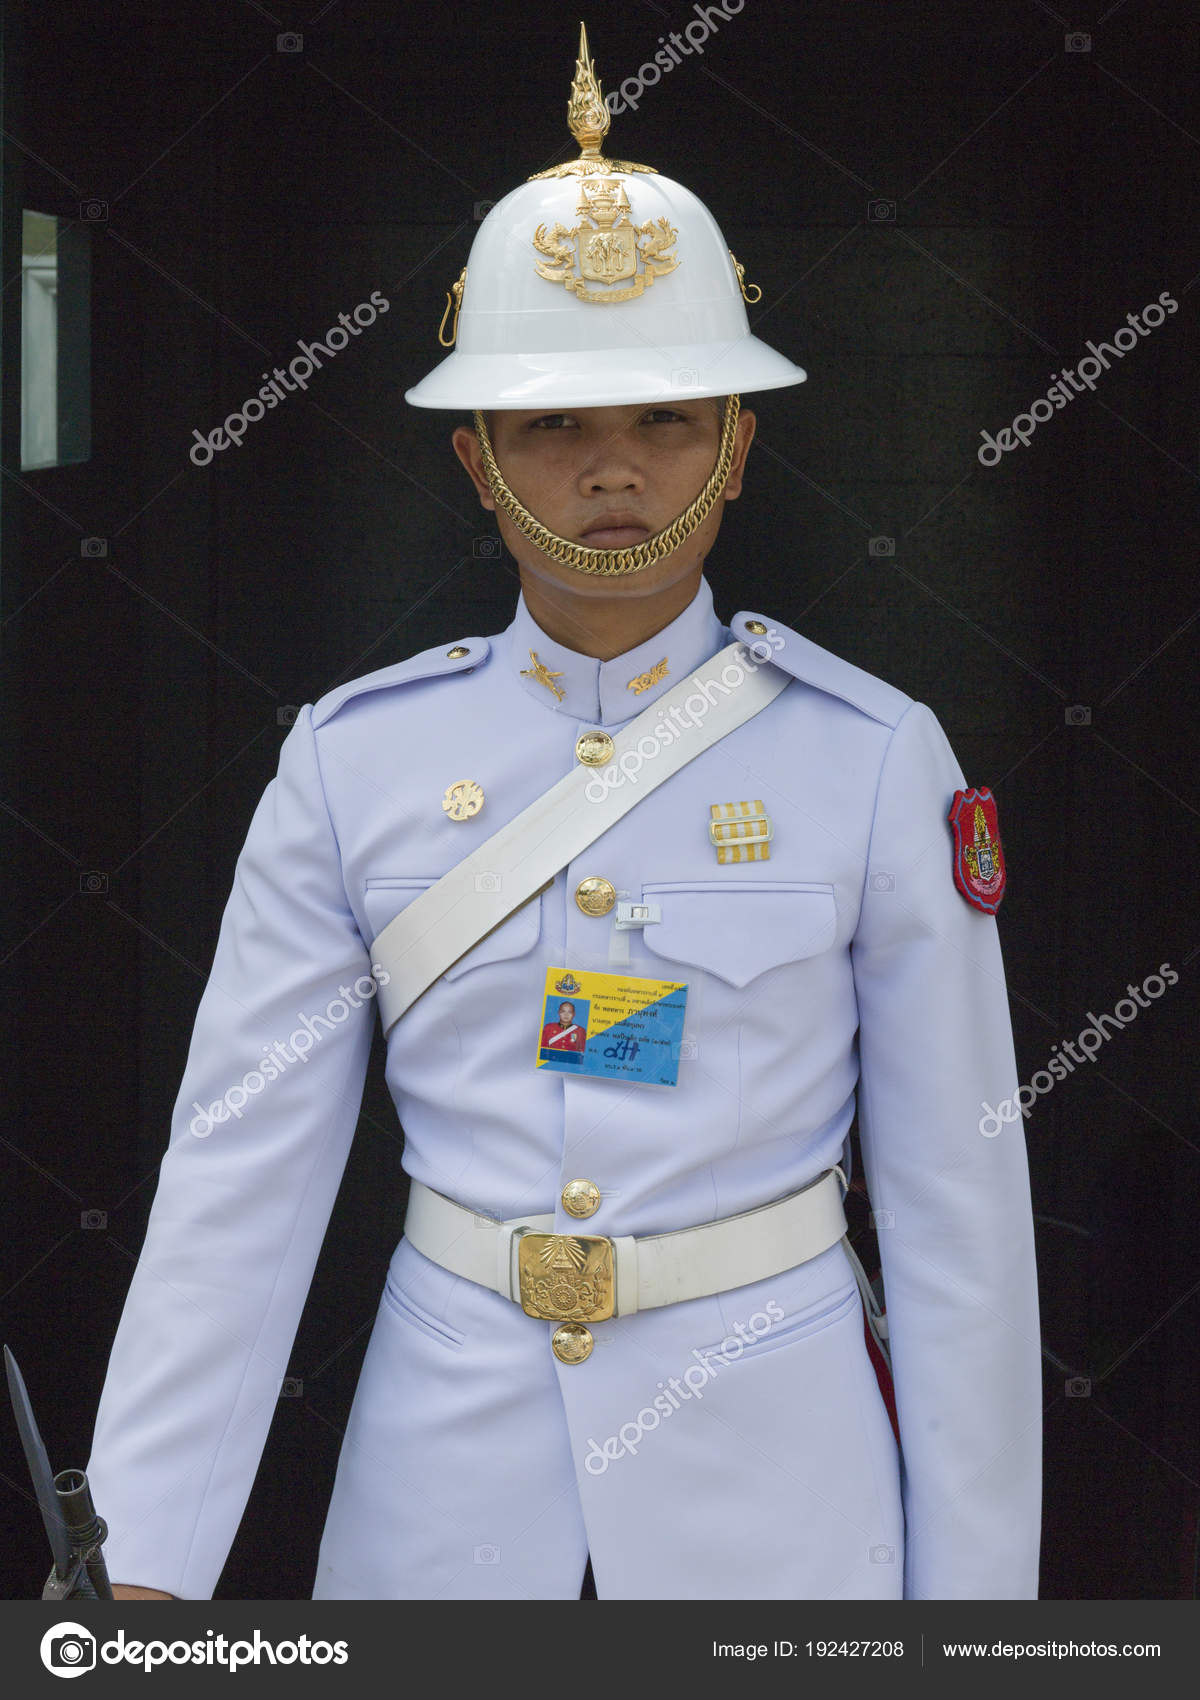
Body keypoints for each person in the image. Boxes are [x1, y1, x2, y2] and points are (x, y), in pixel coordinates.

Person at [88, 26, 1041, 1602]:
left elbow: (961, 1213)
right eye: (554, 428)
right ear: (477, 462)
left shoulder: (873, 757)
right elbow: (238, 1176)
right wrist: (141, 1566)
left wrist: (978, 1609)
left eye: (668, 420)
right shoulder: (354, 761)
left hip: (779, 1476)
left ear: (737, 447)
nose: (614, 469)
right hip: (447, 1456)